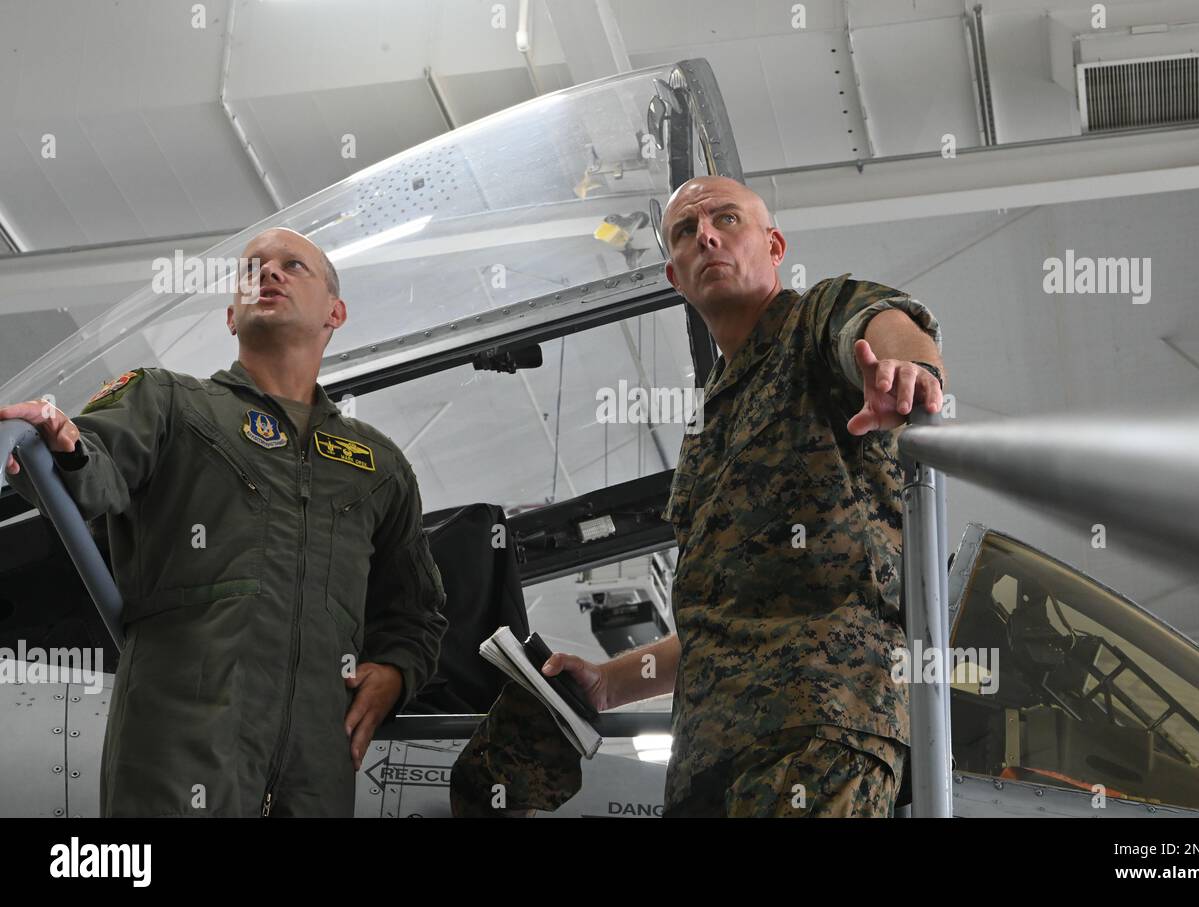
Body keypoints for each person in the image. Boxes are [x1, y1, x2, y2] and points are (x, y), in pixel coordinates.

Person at [1, 227, 448, 817]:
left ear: (334, 312)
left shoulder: (378, 467)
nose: (269, 273)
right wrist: (64, 444)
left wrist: (395, 671)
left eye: (293, 266)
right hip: (178, 742)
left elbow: (416, 613)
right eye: (252, 268)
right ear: (231, 317)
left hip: (318, 765)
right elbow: (94, 469)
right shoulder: (170, 404)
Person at [540, 175, 946, 817]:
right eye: (685, 232)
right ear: (675, 276)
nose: (705, 234)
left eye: (726, 219)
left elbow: (886, 322)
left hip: (821, 723)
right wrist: (610, 683)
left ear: (774, 244)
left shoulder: (816, 323)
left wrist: (908, 370)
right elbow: (718, 621)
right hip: (706, 755)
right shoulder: (709, 421)